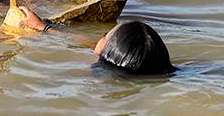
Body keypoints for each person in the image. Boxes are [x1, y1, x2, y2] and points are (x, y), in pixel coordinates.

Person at [15, 6, 175, 75]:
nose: (100, 38)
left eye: (105, 36)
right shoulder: (153, 66)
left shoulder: (90, 69)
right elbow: (89, 44)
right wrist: (43, 27)